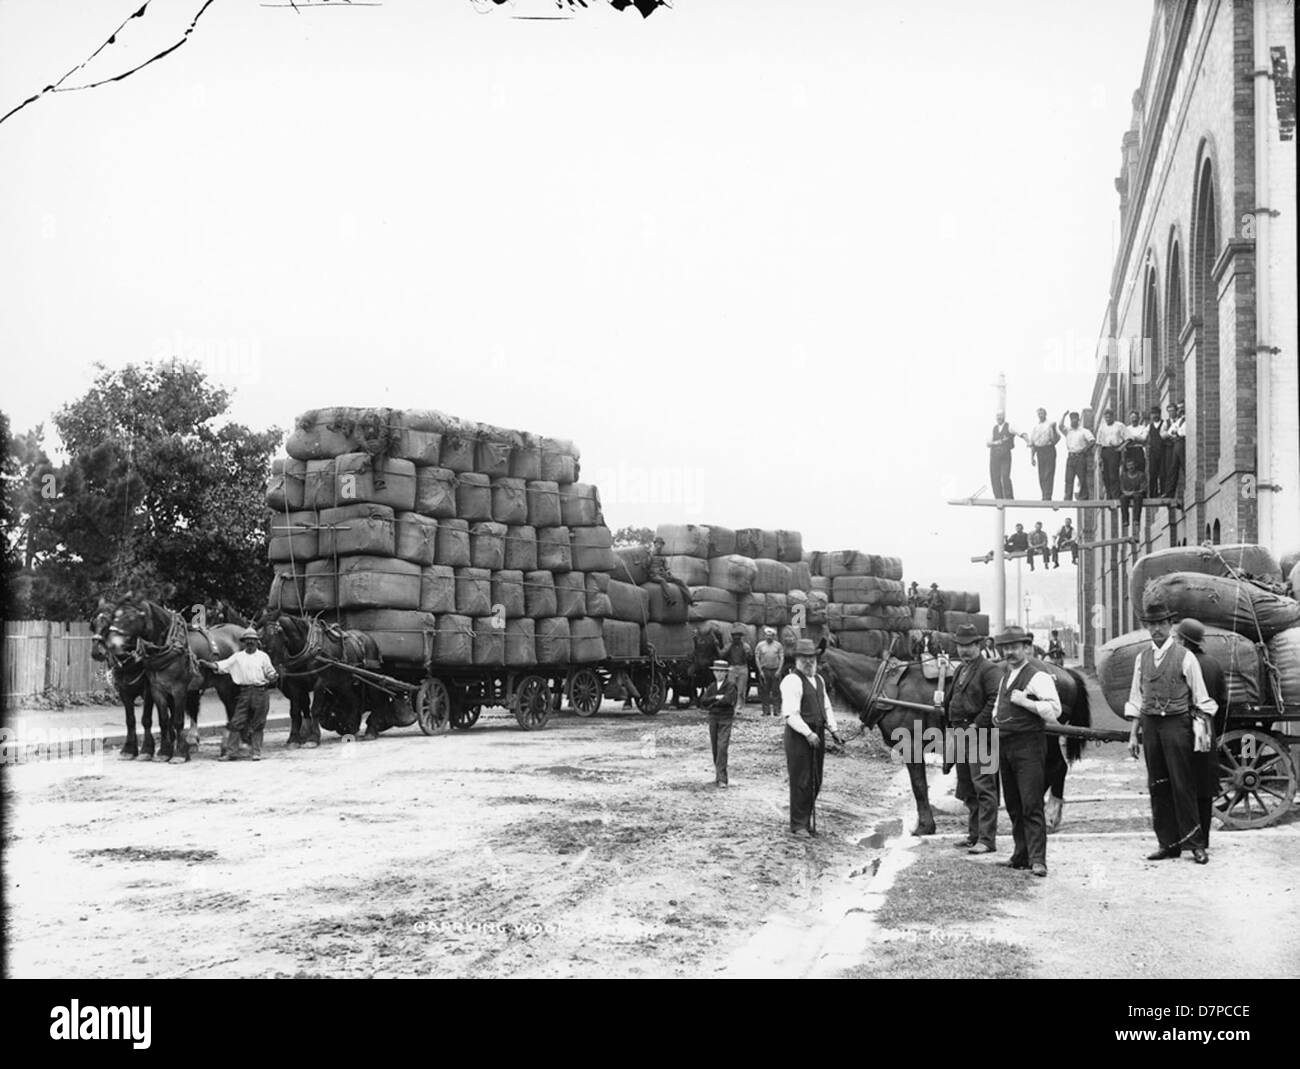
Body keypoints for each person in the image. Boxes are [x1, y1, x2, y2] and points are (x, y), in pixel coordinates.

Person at [1124, 600, 1217, 864]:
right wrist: (1134, 734)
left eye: (1160, 624)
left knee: (1182, 784)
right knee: (1157, 785)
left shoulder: (1185, 657)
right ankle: (1168, 843)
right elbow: (1137, 698)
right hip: (1151, 726)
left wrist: (1200, 731)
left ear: (1169, 625)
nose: (1155, 629)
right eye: (1150, 624)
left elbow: (1201, 698)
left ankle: (1196, 844)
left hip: (1178, 724)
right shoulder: (1141, 659)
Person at [991, 625, 1061, 877]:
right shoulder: (1005, 677)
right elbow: (998, 707)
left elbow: (1055, 710)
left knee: (1031, 803)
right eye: (1006, 648)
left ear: (1026, 648)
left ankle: (1038, 859)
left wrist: (1026, 702)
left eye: (1015, 647)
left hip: (1028, 745)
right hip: (1006, 744)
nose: (1010, 652)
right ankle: (1020, 854)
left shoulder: (1037, 676)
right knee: (1013, 803)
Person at [942, 624, 1002, 855]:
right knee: (968, 787)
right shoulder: (961, 670)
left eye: (968, 645)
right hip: (961, 736)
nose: (964, 650)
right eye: (960, 645)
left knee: (984, 787)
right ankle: (974, 835)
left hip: (981, 736)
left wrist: (978, 723)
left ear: (978, 645)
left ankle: (987, 840)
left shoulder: (988, 670)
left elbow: (995, 698)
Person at [1175, 618, 1228, 852]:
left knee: (1181, 782)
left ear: (1184, 641)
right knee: (1204, 786)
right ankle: (1203, 840)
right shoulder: (1214, 664)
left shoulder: (1178, 662)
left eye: (1177, 638)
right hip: (1205, 729)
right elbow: (1223, 702)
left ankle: (1186, 838)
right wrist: (1213, 727)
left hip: (1181, 729)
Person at [781, 639, 841, 835]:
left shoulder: (819, 680)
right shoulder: (792, 681)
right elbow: (790, 714)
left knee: (816, 779)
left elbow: (826, 707)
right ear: (797, 659)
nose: (808, 662)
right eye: (804, 658)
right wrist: (808, 733)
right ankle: (798, 825)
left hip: (818, 733)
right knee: (801, 780)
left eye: (811, 658)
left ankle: (806, 820)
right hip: (800, 736)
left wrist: (834, 729)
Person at [201, 628, 278, 761]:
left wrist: (273, 676)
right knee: (236, 722)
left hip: (260, 692)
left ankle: (256, 752)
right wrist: (208, 664)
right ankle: (231, 752)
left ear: (257, 642)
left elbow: (270, 672)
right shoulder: (238, 657)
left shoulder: (263, 657)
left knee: (258, 723)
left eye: (252, 640)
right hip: (244, 692)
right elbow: (223, 665)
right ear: (243, 642)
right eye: (247, 640)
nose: (250, 643)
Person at [698, 658, 738, 787]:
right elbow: (703, 700)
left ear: (726, 673)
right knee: (715, 747)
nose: (719, 674)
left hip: (725, 718)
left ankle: (722, 779)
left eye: (722, 671)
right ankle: (718, 776)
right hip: (713, 718)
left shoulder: (730, 686)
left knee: (722, 747)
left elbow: (728, 701)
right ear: (714, 673)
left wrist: (712, 703)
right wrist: (715, 698)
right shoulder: (712, 686)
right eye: (717, 671)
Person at [1020, 407, 1059, 500]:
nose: (1040, 415)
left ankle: (1048, 495)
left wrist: (1054, 428)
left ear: (1045, 414)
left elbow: (1055, 439)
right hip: (1040, 451)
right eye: (1039, 414)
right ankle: (1044, 494)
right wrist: (1032, 457)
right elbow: (1033, 444)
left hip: (1049, 449)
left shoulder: (1050, 424)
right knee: (1041, 474)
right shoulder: (1035, 428)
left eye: (1042, 413)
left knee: (1048, 473)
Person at [1058, 410, 1096, 500]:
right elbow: (1060, 426)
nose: (1073, 421)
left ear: (1078, 420)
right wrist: (1063, 415)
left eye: (1075, 419)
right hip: (1071, 457)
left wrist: (1084, 450)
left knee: (1082, 478)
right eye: (1071, 419)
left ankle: (1084, 497)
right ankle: (1068, 497)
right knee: (1068, 478)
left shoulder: (1083, 431)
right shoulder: (1068, 431)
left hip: (1080, 457)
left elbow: (1092, 441)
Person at [648, 539, 695, 607]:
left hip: (663, 574)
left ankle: (690, 601)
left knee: (679, 581)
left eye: (661, 545)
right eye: (658, 544)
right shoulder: (650, 555)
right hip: (654, 575)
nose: (660, 546)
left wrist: (668, 572)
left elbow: (666, 567)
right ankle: (668, 600)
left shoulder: (663, 557)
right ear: (655, 544)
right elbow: (647, 566)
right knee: (662, 581)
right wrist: (653, 571)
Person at [1095, 407, 1127, 500]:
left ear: (1113, 417)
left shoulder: (1119, 425)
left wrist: (1120, 448)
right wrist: (1099, 457)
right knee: (1105, 475)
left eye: (1109, 417)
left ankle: (1115, 494)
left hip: (1115, 450)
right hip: (1105, 451)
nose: (1108, 419)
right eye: (1106, 417)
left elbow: (1128, 438)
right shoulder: (1102, 427)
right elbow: (1098, 443)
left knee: (1113, 474)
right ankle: (1109, 494)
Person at [754, 626, 785, 717]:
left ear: (774, 636)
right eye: (767, 635)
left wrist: (779, 670)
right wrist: (760, 671)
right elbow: (757, 658)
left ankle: (776, 711)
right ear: (765, 635)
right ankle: (765, 711)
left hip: (775, 670)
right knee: (764, 692)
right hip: (765, 670)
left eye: (771, 635)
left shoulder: (778, 645)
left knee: (776, 691)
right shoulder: (760, 645)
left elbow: (782, 658)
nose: (769, 637)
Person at [987, 411, 1017, 500]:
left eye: (1000, 416)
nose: (999, 418)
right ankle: (998, 497)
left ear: (1004, 417)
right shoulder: (994, 429)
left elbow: (1020, 433)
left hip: (1005, 455)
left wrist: (1027, 440)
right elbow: (988, 443)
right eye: (997, 416)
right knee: (994, 477)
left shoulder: (1009, 426)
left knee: (1005, 476)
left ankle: (1009, 496)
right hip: (995, 455)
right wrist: (997, 442)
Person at [723, 623, 751, 715]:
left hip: (743, 668)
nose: (736, 638)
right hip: (732, 668)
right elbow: (722, 654)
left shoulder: (745, 646)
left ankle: (739, 707)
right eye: (734, 636)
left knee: (741, 689)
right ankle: (731, 705)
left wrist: (748, 654)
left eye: (738, 636)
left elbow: (750, 657)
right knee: (731, 688)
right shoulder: (729, 645)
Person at [1161, 401, 1186, 503]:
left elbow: (1182, 432)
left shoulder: (1186, 420)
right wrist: (1174, 433)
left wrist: (1176, 432)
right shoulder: (1179, 420)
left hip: (1181, 443)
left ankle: (1187, 486)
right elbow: (1171, 431)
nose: (1180, 411)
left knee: (1184, 465)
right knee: (1172, 468)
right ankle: (1169, 492)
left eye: (1181, 409)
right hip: (1176, 445)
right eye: (1179, 409)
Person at [1119, 453, 1147, 540]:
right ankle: (1125, 520)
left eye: (1132, 465)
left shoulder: (1141, 475)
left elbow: (1143, 488)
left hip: (1137, 493)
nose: (1130, 467)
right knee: (1123, 498)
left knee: (1138, 498)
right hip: (1127, 493)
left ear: (1135, 465)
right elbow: (1122, 488)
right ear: (1126, 466)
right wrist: (1127, 493)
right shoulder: (1124, 475)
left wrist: (1135, 492)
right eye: (1128, 465)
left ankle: (1136, 520)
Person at [1143, 404, 1166, 499]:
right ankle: (1153, 493)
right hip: (1153, 452)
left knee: (1163, 472)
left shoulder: (1164, 424)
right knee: (1152, 473)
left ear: (1159, 414)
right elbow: (1143, 436)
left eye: (1156, 414)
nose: (1154, 416)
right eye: (1152, 414)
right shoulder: (1149, 426)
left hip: (1162, 450)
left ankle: (1163, 492)